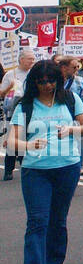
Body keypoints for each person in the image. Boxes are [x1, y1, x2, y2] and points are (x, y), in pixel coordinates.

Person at [6, 59, 83, 264]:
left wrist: (72, 129)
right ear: (34, 82)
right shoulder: (25, 106)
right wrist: (28, 145)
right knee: (37, 220)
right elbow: (11, 142)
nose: (46, 85)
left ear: (58, 80)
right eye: (41, 81)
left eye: (51, 80)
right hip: (36, 170)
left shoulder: (69, 99)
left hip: (67, 166)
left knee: (58, 218)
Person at [2, 49, 36, 180]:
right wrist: (9, 87)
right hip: (14, 111)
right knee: (13, 140)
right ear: (21, 59)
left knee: (26, 140)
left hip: (29, 110)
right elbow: (1, 93)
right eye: (30, 59)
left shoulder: (33, 74)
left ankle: (25, 168)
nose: (32, 62)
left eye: (33, 59)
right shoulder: (10, 75)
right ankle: (8, 170)